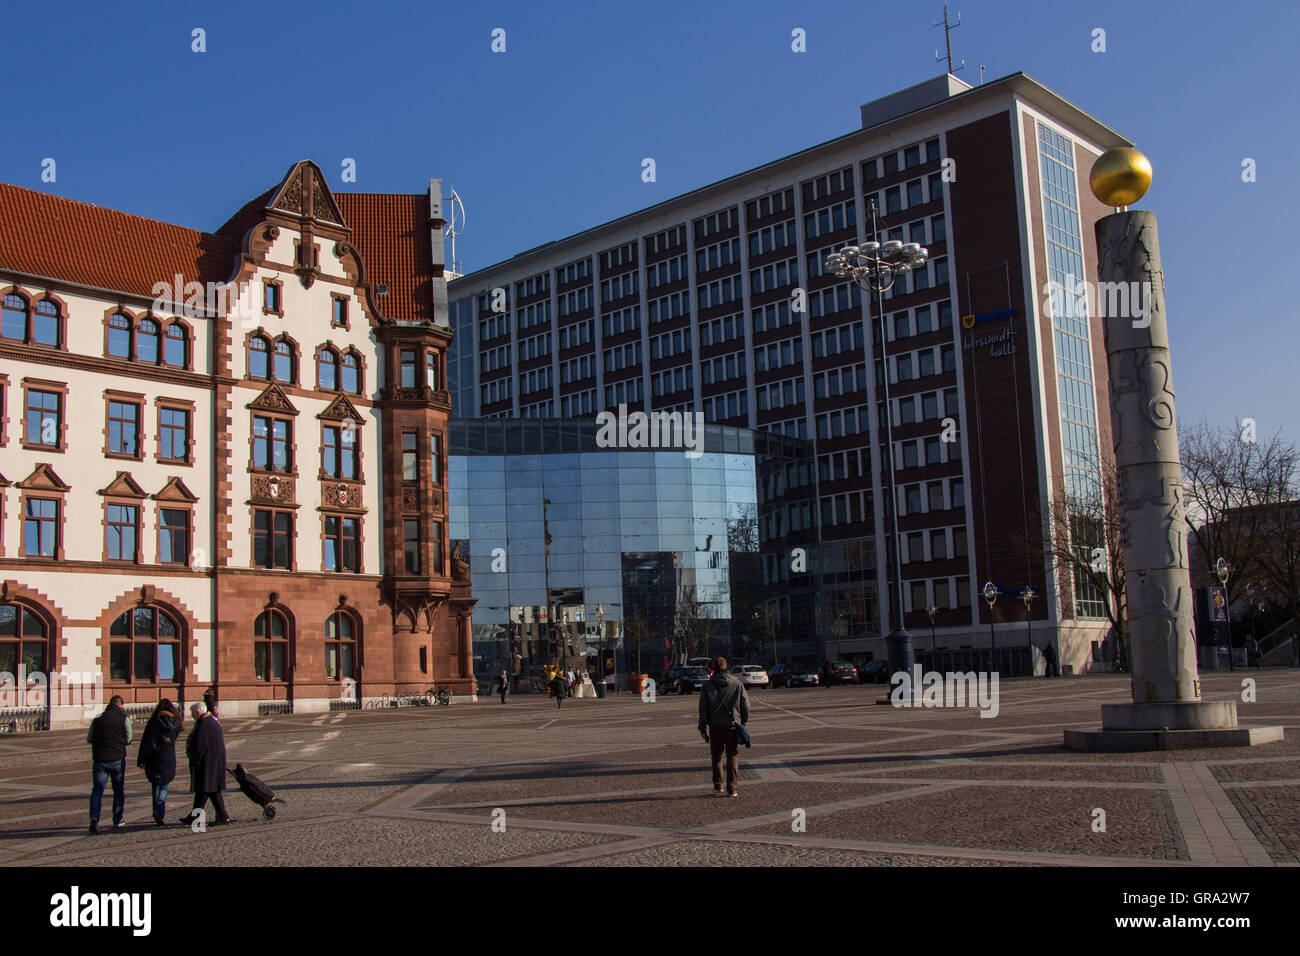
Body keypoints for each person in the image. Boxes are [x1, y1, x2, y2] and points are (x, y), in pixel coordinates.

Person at [698, 656, 749, 798]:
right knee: (732, 756)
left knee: (716, 756)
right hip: (732, 725)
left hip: (715, 726)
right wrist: (743, 722)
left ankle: (717, 785)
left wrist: (702, 727)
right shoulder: (736, 683)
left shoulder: (707, 685)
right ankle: (732, 788)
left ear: (713, 668)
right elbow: (745, 704)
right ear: (726, 667)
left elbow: (703, 709)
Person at [87, 695, 132, 834]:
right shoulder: (124, 718)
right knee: (118, 790)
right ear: (120, 706)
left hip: (100, 759)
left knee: (97, 791)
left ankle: (94, 819)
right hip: (117, 759)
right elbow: (128, 739)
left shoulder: (97, 718)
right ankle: (117, 819)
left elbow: (89, 738)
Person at [184, 700, 231, 826]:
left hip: (208, 763)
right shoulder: (209, 721)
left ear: (198, 713)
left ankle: (222, 816)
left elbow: (200, 745)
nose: (192, 716)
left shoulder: (204, 724)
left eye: (193, 714)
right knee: (205, 790)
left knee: (209, 789)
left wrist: (194, 758)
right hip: (212, 762)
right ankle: (196, 816)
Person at [137, 699, 181, 825]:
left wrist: (141, 760)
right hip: (168, 757)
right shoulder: (175, 723)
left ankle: (157, 810)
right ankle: (160, 812)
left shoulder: (153, 721)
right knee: (165, 785)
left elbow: (144, 741)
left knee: (156, 785)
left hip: (153, 756)